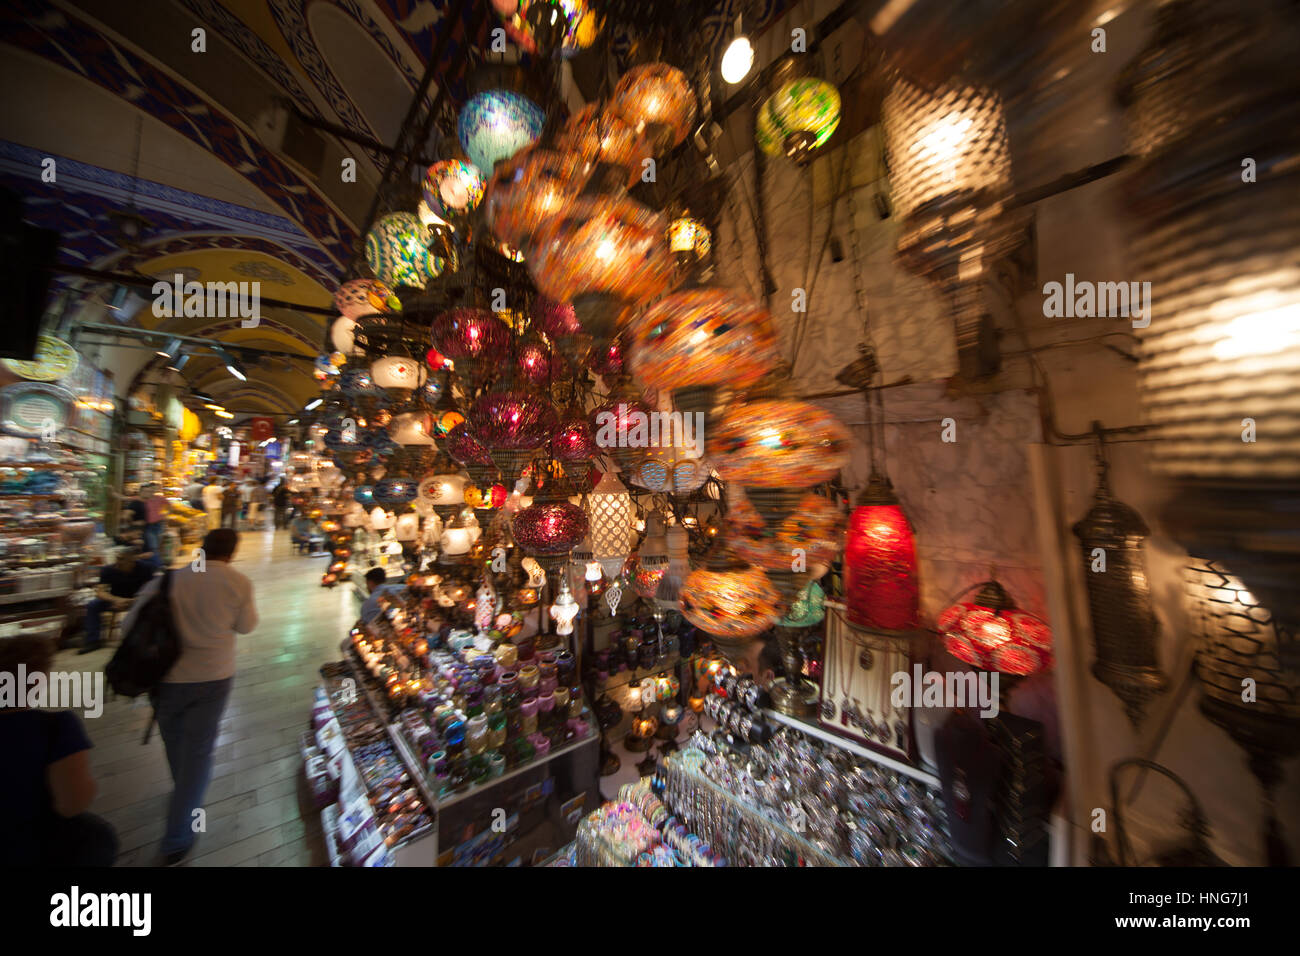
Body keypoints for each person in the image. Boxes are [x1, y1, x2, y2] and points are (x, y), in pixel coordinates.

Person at [120, 528, 257, 865]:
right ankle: (177, 837)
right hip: (213, 677)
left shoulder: (169, 580)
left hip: (168, 680)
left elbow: (128, 626)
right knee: (198, 753)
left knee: (176, 742)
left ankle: (183, 795)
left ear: (201, 549)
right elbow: (246, 626)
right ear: (232, 553)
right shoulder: (237, 582)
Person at [0, 634, 118, 866]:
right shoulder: (56, 727)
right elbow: (72, 804)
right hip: (32, 846)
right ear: (36, 681)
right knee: (99, 835)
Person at [79, 547, 156, 654]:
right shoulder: (108, 570)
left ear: (132, 561)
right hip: (115, 600)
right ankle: (92, 641)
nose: (118, 562)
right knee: (93, 605)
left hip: (138, 600)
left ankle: (148, 638)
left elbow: (152, 590)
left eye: (122, 559)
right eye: (117, 558)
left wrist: (133, 601)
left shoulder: (145, 568)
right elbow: (100, 592)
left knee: (154, 605)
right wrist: (117, 600)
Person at [141, 483, 170, 557]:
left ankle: (157, 562)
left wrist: (165, 515)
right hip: (149, 526)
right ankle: (157, 563)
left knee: (157, 543)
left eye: (154, 489)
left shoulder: (160, 498)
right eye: (151, 489)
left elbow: (169, 506)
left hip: (159, 524)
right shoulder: (144, 500)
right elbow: (127, 498)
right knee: (153, 545)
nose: (153, 490)